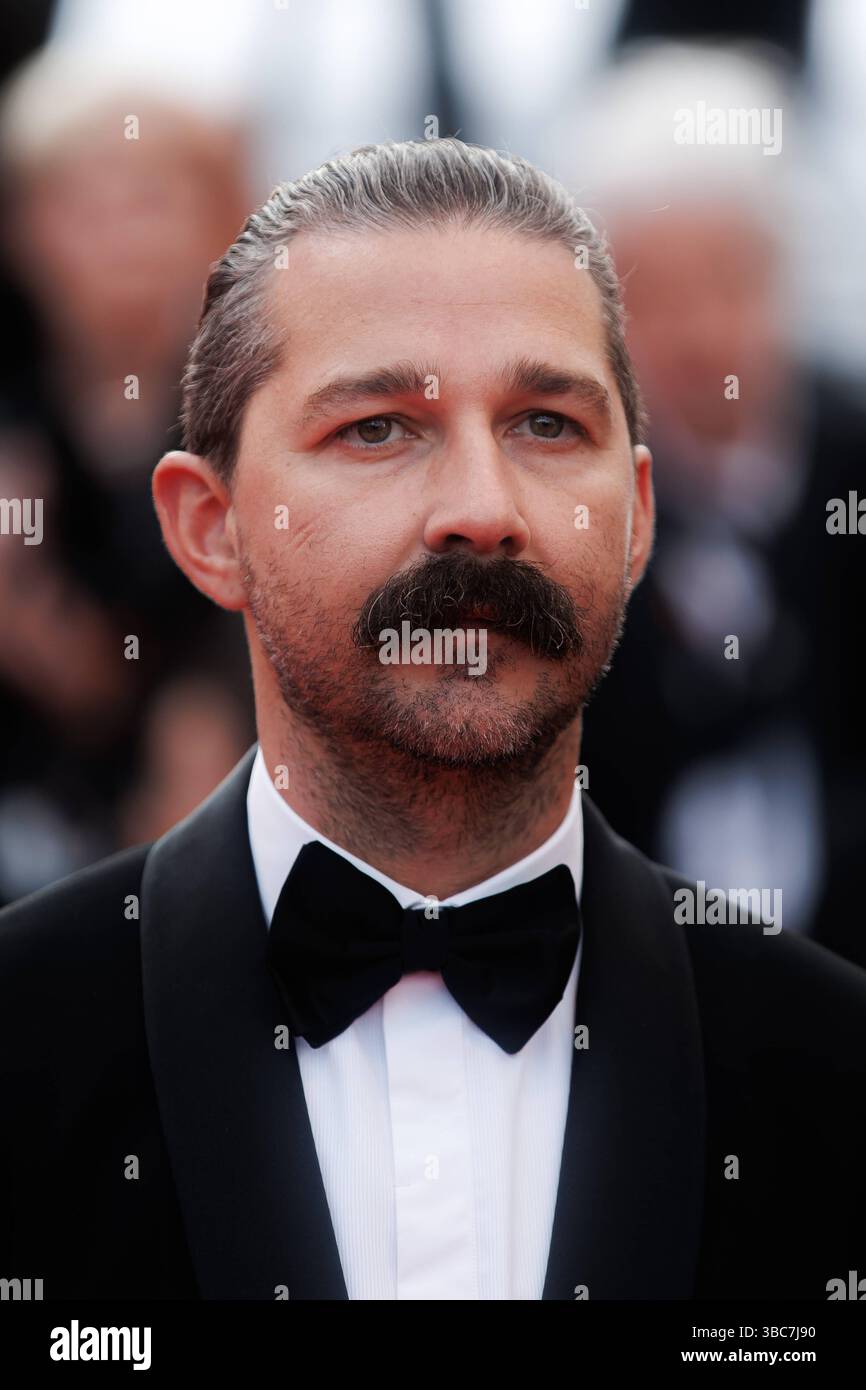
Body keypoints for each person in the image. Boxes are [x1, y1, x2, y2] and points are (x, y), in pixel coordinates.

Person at [1, 139, 864, 1302]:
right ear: (211, 528)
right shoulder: (26, 1042)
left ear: (637, 517)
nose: (479, 510)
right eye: (375, 429)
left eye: (546, 424)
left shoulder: (829, 1068)